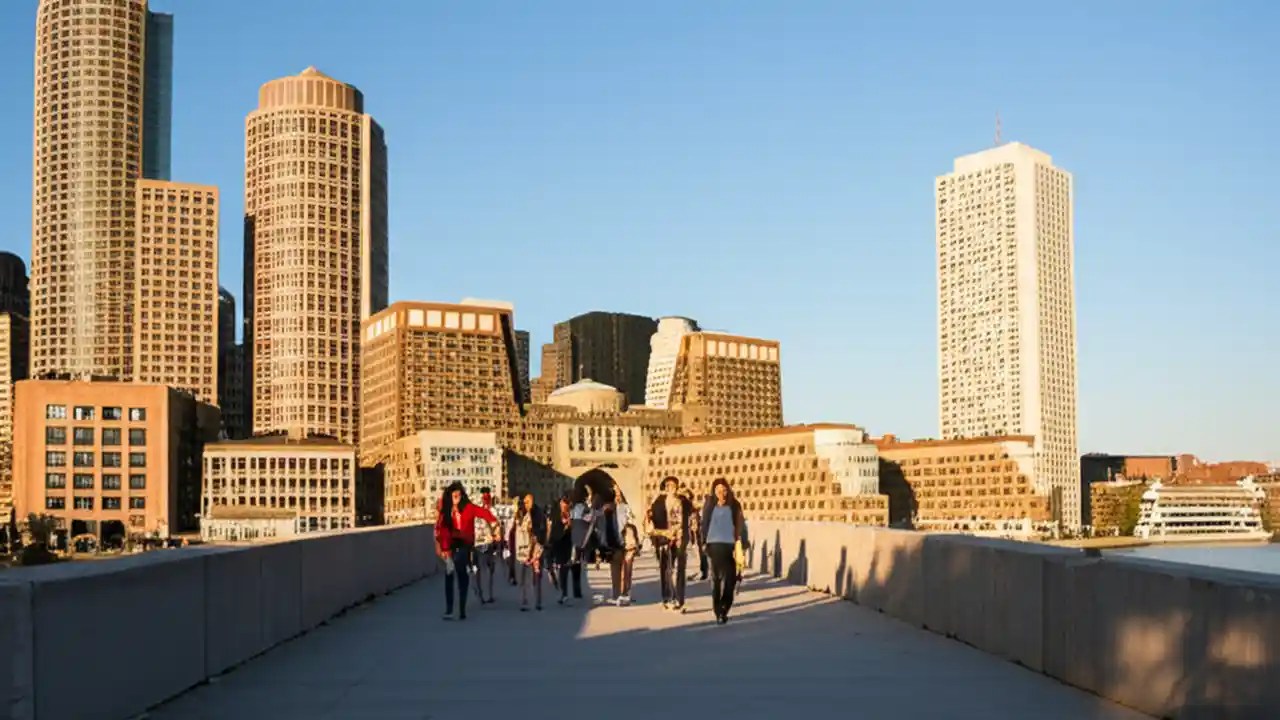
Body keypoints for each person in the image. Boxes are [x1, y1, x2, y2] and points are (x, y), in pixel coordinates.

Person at [435, 482, 501, 621]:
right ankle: (449, 609)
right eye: (454, 495)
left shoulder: (468, 508)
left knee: (461, 573)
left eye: (458, 494)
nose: (456, 497)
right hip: (449, 545)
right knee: (449, 573)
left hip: (464, 544)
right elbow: (438, 528)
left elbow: (484, 513)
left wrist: (495, 526)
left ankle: (462, 608)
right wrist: (438, 546)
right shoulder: (445, 510)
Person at [700, 478, 745, 625]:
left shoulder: (734, 505)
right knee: (716, 580)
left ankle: (725, 606)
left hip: (729, 545)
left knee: (730, 580)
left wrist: (740, 544)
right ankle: (718, 610)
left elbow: (739, 524)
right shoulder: (710, 505)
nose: (721, 493)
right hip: (713, 545)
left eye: (724, 490)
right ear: (714, 491)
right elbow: (704, 524)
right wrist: (703, 543)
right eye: (718, 490)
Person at [647, 476, 694, 611]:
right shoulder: (658, 502)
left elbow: (689, 511)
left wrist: (674, 533)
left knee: (679, 569)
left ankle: (678, 598)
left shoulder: (682, 501)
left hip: (679, 538)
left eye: (674, 486)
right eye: (668, 486)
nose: (671, 488)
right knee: (666, 568)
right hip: (663, 538)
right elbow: (650, 518)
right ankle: (667, 597)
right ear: (665, 488)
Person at [513, 493, 547, 611]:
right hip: (520, 551)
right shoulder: (518, 516)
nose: (527, 505)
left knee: (535, 576)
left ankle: (536, 601)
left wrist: (532, 552)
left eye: (528, 502)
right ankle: (524, 599)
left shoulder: (536, 515)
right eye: (525, 503)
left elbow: (536, 536)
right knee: (521, 577)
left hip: (533, 550)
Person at [547, 494, 581, 605]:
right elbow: (551, 528)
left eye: (565, 503)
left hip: (567, 545)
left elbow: (575, 529)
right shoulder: (555, 514)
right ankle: (560, 588)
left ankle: (564, 593)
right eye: (562, 503)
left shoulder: (571, 515)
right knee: (554, 568)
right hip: (556, 543)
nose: (563, 505)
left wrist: (569, 525)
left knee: (564, 569)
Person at [471, 487, 499, 605]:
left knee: (485, 569)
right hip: (479, 542)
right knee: (482, 569)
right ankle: (483, 593)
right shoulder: (482, 510)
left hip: (486, 542)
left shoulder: (491, 510)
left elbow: (496, 526)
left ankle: (485, 594)